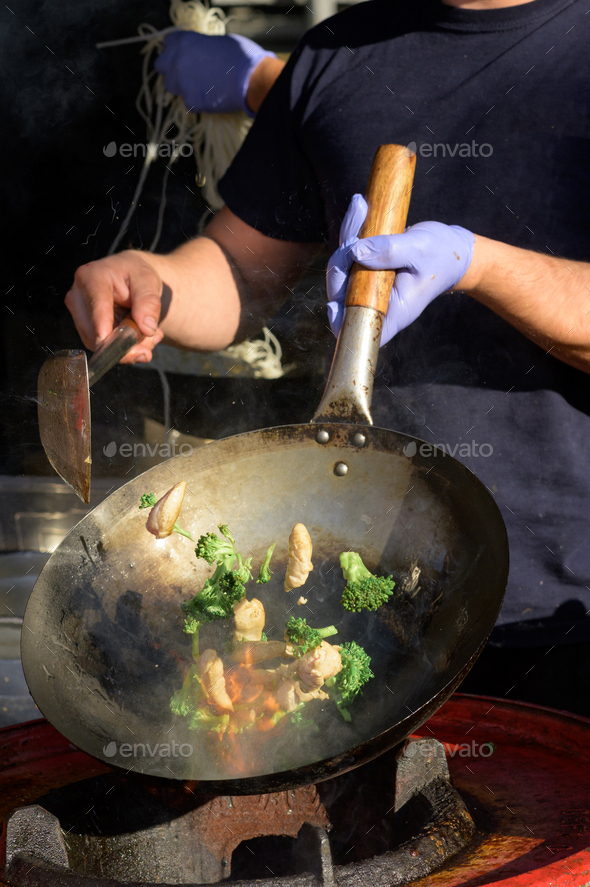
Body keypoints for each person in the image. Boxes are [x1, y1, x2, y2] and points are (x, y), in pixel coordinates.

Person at [66, 0, 590, 714]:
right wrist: (155, 281)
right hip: (365, 594)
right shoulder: (335, 53)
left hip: (562, 607)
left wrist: (478, 265)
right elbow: (242, 271)